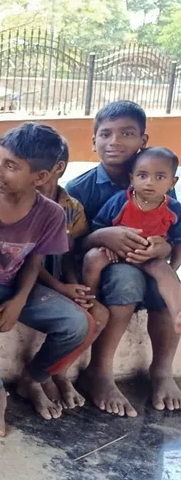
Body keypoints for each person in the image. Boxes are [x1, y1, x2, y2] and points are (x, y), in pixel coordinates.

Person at [0, 122, 93, 437]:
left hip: (20, 287)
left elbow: (34, 261)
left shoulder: (51, 214)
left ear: (40, 177)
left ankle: (34, 376)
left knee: (77, 323)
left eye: (11, 165)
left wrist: (18, 301)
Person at [67, 101, 181, 417]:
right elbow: (71, 246)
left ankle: (161, 370)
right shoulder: (81, 188)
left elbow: (171, 229)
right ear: (94, 141)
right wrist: (104, 236)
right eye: (106, 134)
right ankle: (99, 373)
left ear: (142, 140)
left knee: (165, 285)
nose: (115, 142)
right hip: (103, 270)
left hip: (146, 262)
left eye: (127, 133)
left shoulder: (158, 177)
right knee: (126, 279)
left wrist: (166, 251)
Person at [33, 136, 108, 410]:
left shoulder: (72, 208)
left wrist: (74, 287)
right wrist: (60, 288)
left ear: (58, 168)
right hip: (31, 282)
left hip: (57, 281)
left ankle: (58, 372)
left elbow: (68, 255)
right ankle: (37, 376)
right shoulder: (20, 202)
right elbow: (30, 261)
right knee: (77, 317)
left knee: (98, 313)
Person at [84, 147, 181, 334]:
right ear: (131, 178)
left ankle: (178, 314)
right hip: (115, 255)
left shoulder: (174, 209)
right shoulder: (121, 201)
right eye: (142, 175)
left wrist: (172, 265)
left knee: (164, 271)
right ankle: (90, 299)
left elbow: (178, 240)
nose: (149, 183)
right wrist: (106, 243)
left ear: (172, 182)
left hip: (149, 257)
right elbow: (98, 227)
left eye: (160, 177)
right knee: (92, 258)